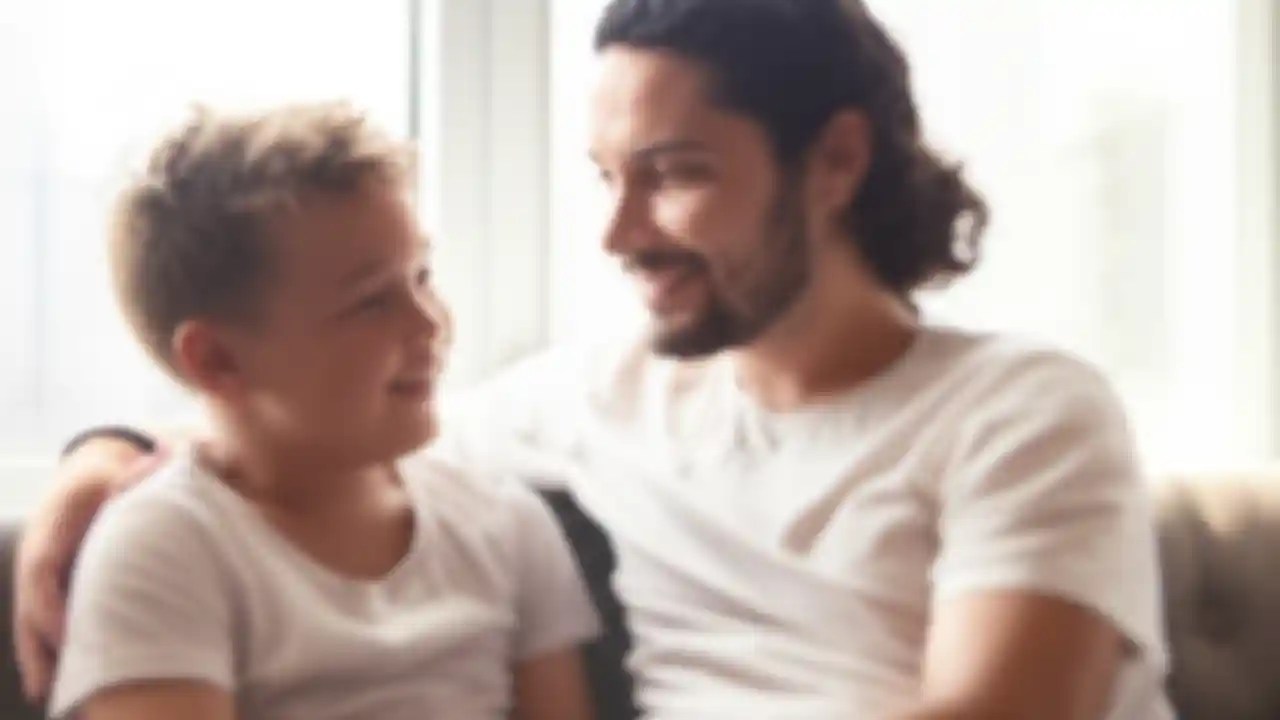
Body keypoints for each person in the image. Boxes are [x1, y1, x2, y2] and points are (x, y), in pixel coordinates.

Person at [16, 1, 1173, 718]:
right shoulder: (588, 400)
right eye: (605, 177)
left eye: (673, 173)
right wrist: (103, 460)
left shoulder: (1021, 409)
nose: (619, 234)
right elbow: (303, 410)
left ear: (833, 161)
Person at [35, 104, 598, 720]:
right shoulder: (166, 546)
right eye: (370, 304)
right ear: (218, 359)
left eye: (422, 276)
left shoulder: (507, 523)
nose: (429, 322)